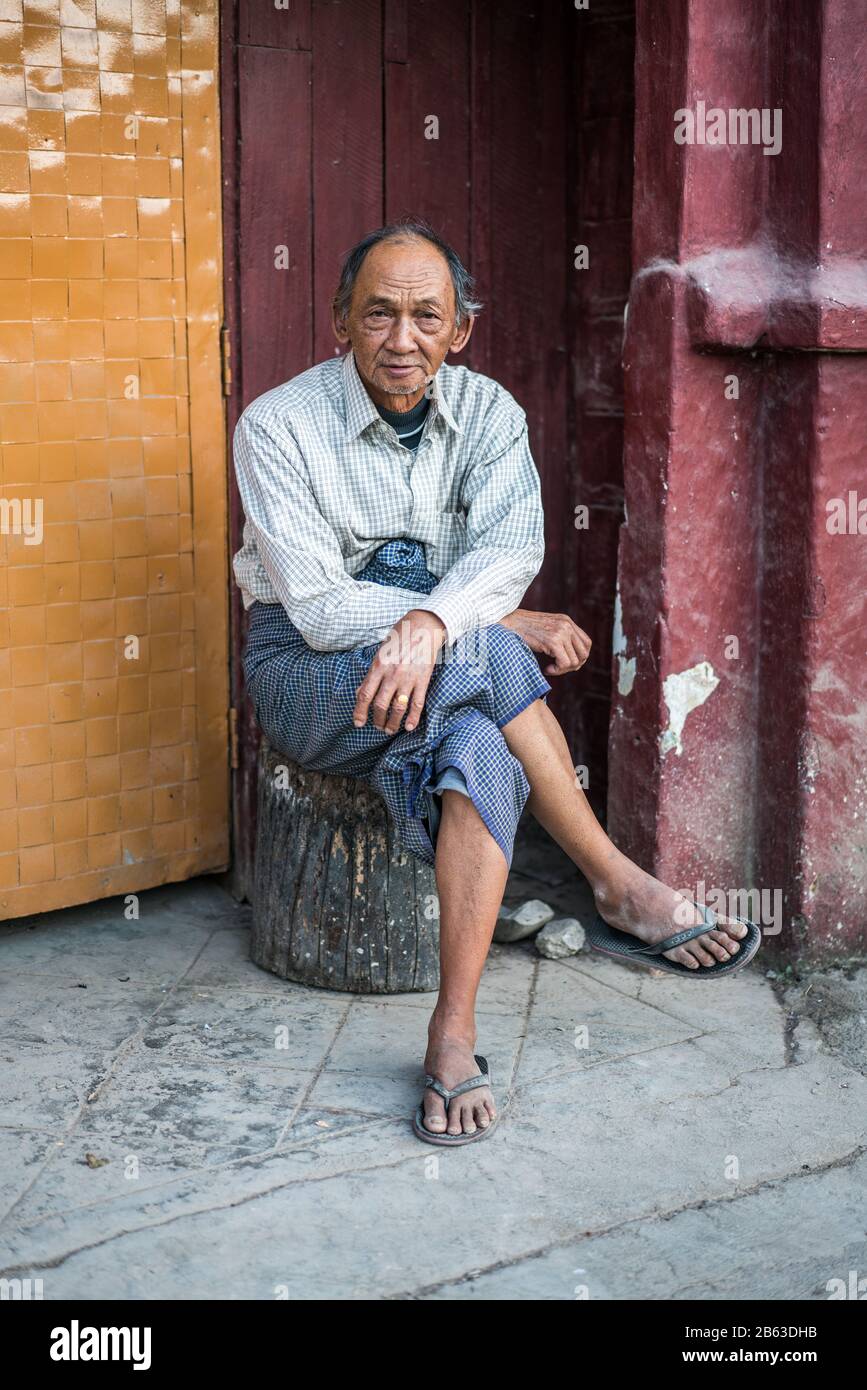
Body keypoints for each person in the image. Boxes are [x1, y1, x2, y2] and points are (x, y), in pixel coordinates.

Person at [232, 220, 760, 1147]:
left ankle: (452, 1032)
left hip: (437, 660)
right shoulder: (277, 425)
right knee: (499, 655)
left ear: (460, 330)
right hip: (309, 673)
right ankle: (617, 883)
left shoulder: (488, 414)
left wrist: (434, 624)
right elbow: (314, 608)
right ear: (339, 323)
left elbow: (512, 548)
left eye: (425, 317)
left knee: (478, 740)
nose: (402, 340)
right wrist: (484, 622)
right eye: (378, 316)